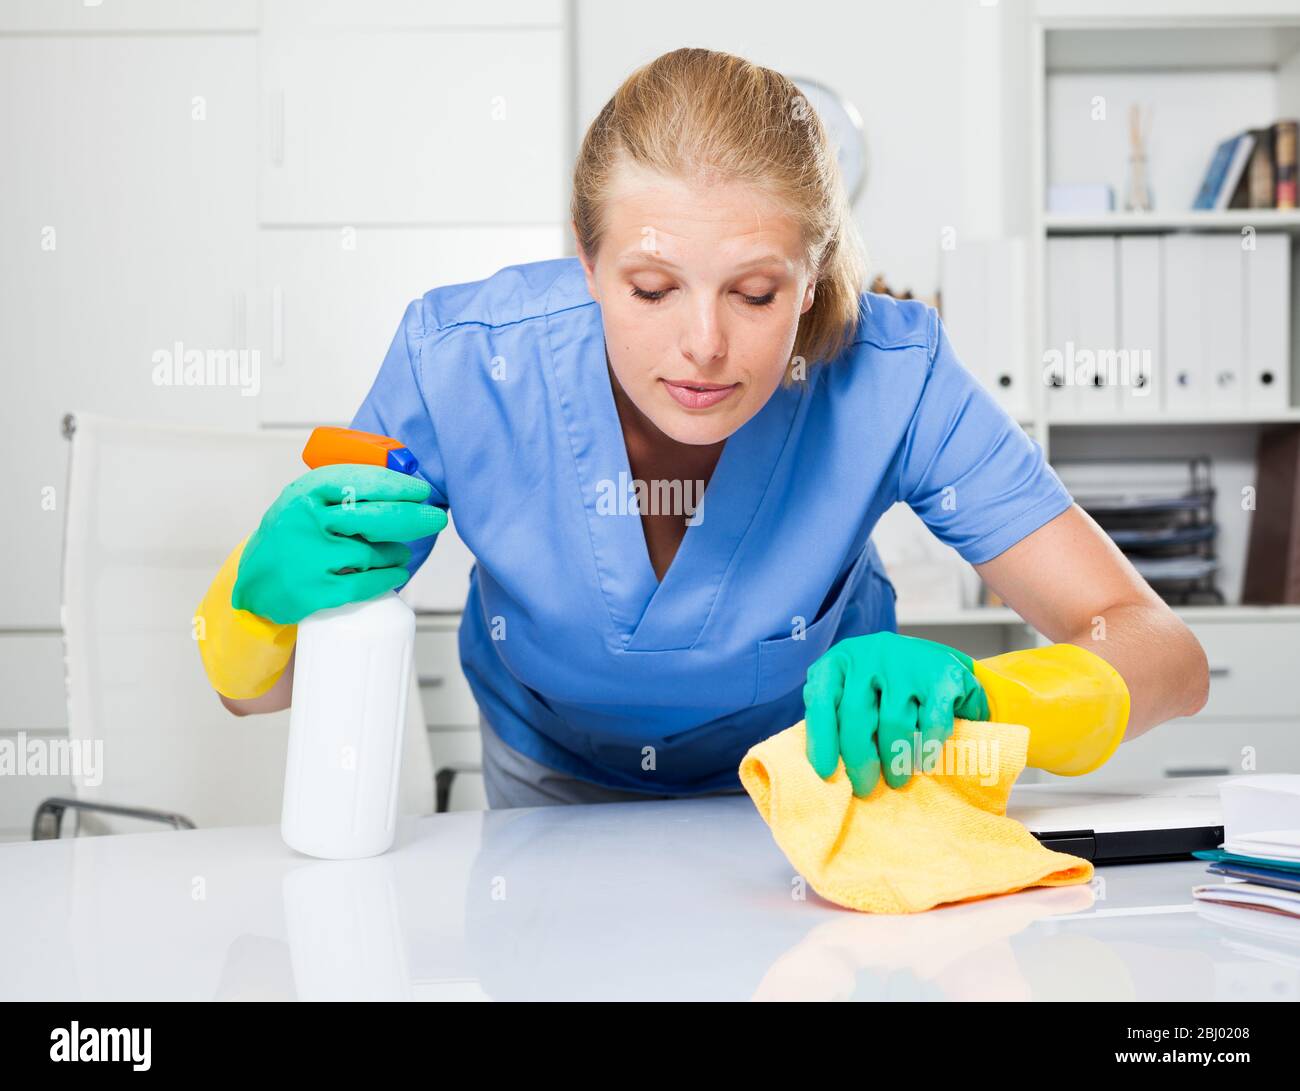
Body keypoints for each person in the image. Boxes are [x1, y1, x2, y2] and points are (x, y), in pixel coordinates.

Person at [195, 48, 1208, 810]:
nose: (703, 344)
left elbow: (1164, 654)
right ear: (584, 263)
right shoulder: (464, 359)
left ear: (812, 276)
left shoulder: (890, 374)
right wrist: (254, 601)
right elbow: (259, 697)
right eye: (648, 287)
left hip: (816, 784)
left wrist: (988, 696)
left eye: (757, 293)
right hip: (547, 788)